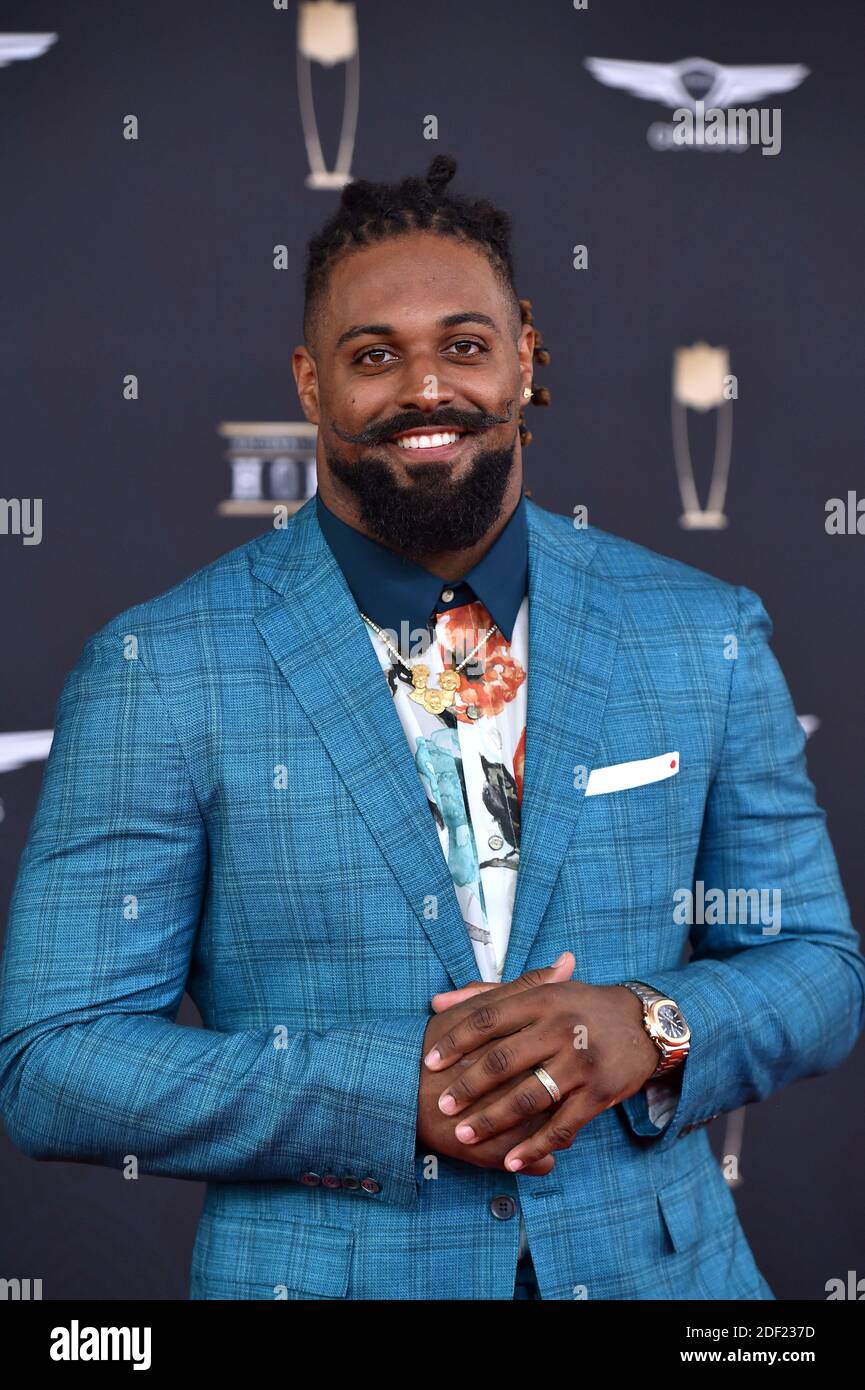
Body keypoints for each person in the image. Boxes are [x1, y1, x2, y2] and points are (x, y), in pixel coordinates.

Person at [1, 155, 862, 1301]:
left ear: (524, 358)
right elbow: (54, 1060)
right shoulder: (159, 667)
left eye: (464, 345)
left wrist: (651, 1025)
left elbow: (819, 967)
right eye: (374, 356)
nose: (427, 388)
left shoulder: (696, 630)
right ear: (310, 385)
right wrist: (385, 1094)